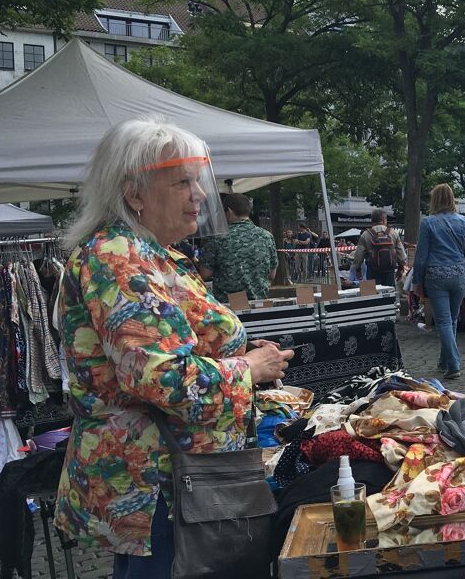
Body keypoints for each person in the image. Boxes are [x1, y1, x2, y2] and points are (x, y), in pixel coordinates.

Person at [54, 118, 294, 576]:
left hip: (174, 482)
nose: (200, 195)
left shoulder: (152, 253)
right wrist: (247, 368)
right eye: (183, 182)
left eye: (196, 181)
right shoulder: (117, 256)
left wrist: (237, 355)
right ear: (135, 193)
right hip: (160, 489)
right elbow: (160, 377)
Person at [412, 184, 465, 380]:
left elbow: (421, 256)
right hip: (459, 273)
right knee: (452, 320)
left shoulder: (428, 223)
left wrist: (417, 280)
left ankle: (453, 364)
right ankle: (444, 361)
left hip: (436, 274)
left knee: (444, 321)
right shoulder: (464, 221)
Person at [197, 193, 278, 302]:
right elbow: (272, 275)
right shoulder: (267, 236)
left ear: (229, 211)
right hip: (259, 304)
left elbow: (204, 274)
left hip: (229, 308)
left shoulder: (217, 238)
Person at [352, 209, 407, 288]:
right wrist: (400, 268)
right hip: (389, 271)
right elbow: (401, 254)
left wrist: (357, 269)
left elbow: (358, 255)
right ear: (384, 219)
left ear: (372, 220)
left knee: (374, 293)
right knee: (389, 293)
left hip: (372, 271)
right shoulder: (393, 233)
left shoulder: (366, 234)